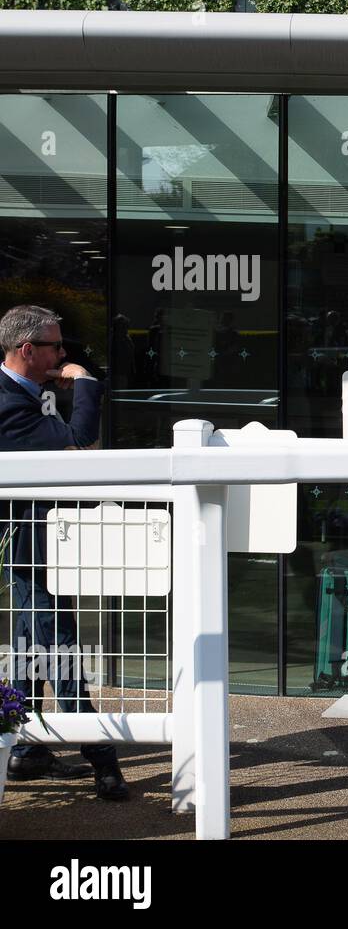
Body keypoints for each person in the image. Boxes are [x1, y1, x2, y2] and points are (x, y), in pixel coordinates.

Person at [0, 304, 129, 801]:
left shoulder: (27, 395)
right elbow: (77, 443)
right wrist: (87, 383)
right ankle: (104, 763)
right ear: (28, 350)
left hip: (36, 550)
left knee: (31, 651)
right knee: (61, 653)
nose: (64, 354)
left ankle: (27, 753)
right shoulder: (9, 404)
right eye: (56, 346)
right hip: (30, 550)